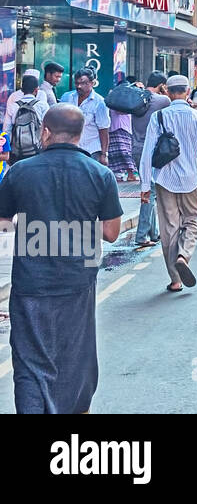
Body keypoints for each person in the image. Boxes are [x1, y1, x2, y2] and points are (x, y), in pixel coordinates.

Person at [0, 105, 123, 413]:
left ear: (45, 131)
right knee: (74, 355)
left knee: (29, 358)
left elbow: (2, 223)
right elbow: (111, 232)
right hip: (77, 281)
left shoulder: (20, 171)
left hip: (31, 283)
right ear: (80, 136)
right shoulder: (100, 174)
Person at [139, 76, 197, 292]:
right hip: (190, 179)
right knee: (191, 221)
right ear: (188, 91)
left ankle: (175, 279)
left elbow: (147, 153)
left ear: (168, 93)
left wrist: (145, 186)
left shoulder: (158, 117)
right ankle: (184, 255)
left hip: (164, 180)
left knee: (169, 228)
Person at [128, 72, 170, 249]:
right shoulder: (162, 101)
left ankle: (153, 232)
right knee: (150, 192)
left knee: (149, 188)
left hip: (136, 148)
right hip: (153, 150)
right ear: (161, 85)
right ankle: (142, 234)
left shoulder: (135, 98)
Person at [60, 68, 110, 166]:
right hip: (70, 149)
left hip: (91, 151)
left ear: (92, 83)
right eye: (77, 83)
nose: (79, 86)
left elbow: (103, 130)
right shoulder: (67, 97)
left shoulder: (99, 103)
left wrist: (104, 154)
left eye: (83, 83)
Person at [2, 73, 48, 165]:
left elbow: (6, 130)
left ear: (22, 90)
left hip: (17, 153)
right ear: (36, 90)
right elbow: (48, 129)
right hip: (37, 152)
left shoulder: (13, 106)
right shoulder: (43, 105)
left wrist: (8, 152)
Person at [106, 88, 139, 184]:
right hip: (114, 128)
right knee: (115, 153)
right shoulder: (116, 102)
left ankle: (131, 173)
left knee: (125, 152)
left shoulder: (125, 102)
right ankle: (120, 174)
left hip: (123, 128)